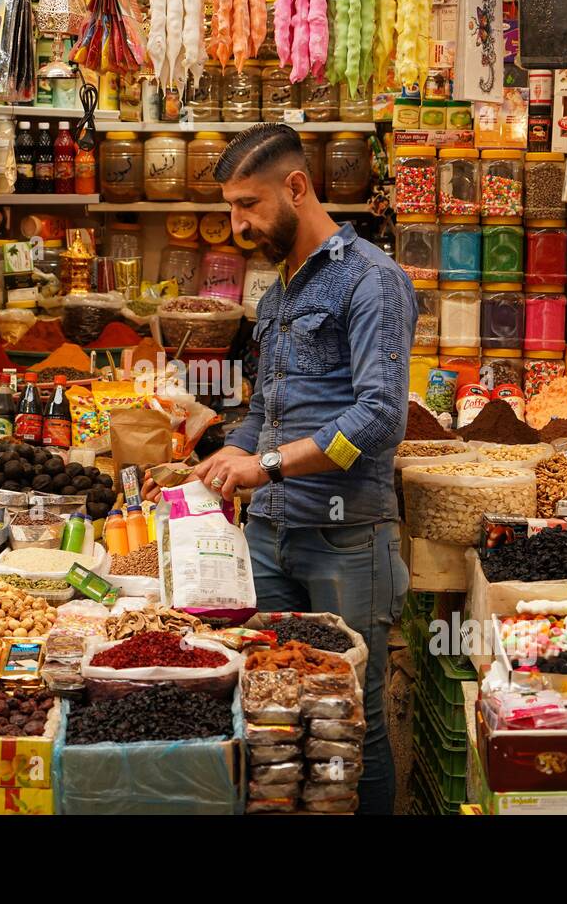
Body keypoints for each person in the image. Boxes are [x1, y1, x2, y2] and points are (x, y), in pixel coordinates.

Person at [142, 123, 416, 814]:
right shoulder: (279, 292)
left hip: (347, 538)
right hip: (268, 537)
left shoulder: (373, 281)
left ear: (297, 186)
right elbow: (266, 408)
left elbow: (380, 419)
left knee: (351, 720)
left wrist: (268, 465)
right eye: (230, 208)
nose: (237, 225)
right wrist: (208, 463)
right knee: (268, 711)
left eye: (248, 205)